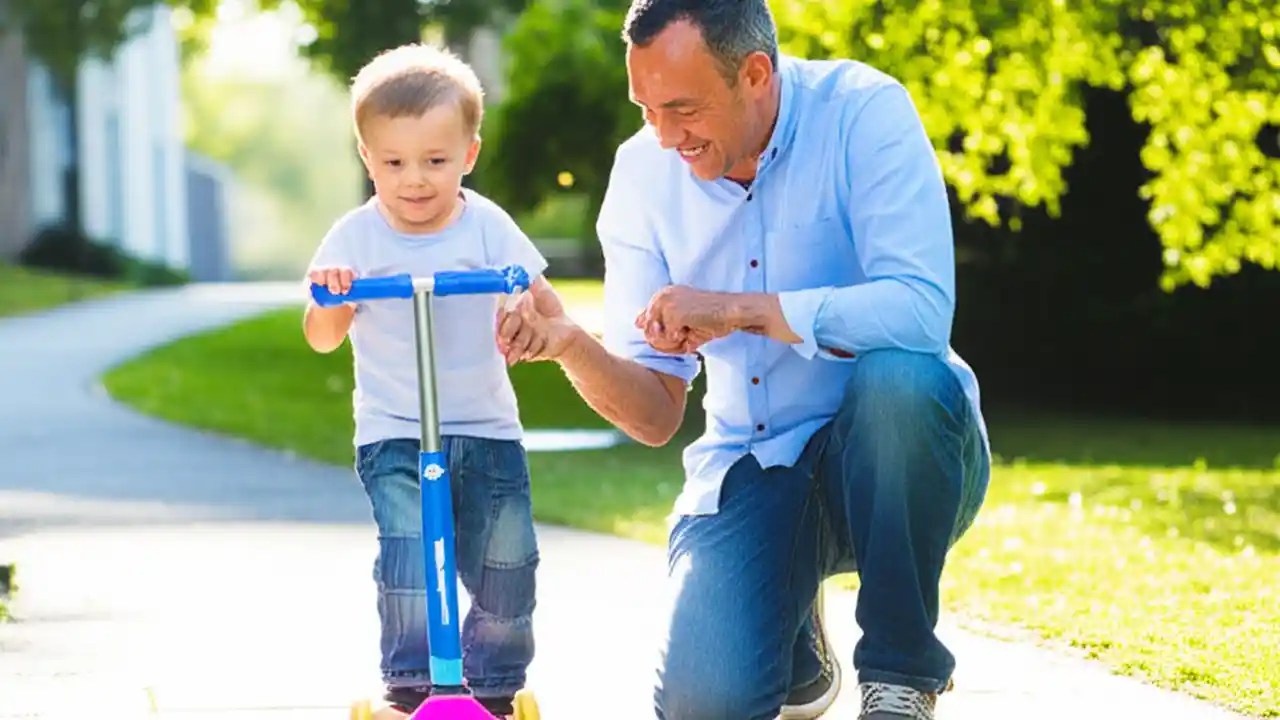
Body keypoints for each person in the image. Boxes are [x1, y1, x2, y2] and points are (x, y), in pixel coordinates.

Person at [495, 1, 992, 718]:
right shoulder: (642, 175)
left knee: (901, 377)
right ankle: (795, 643)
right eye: (646, 110)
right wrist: (571, 342)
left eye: (682, 109)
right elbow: (656, 414)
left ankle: (900, 677)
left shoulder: (864, 114)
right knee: (704, 703)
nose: (664, 137)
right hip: (756, 465)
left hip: (902, 458)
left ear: (755, 73)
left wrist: (737, 309)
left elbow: (919, 313)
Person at [303, 43, 556, 719]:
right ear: (368, 160)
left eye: (435, 161)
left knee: (508, 564)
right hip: (393, 431)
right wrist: (336, 298)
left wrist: (529, 312)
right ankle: (413, 687)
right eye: (393, 163)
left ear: (468, 154)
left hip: (486, 427)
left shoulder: (488, 228)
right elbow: (321, 336)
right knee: (411, 558)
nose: (414, 180)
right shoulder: (354, 240)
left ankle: (495, 689)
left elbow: (543, 304)